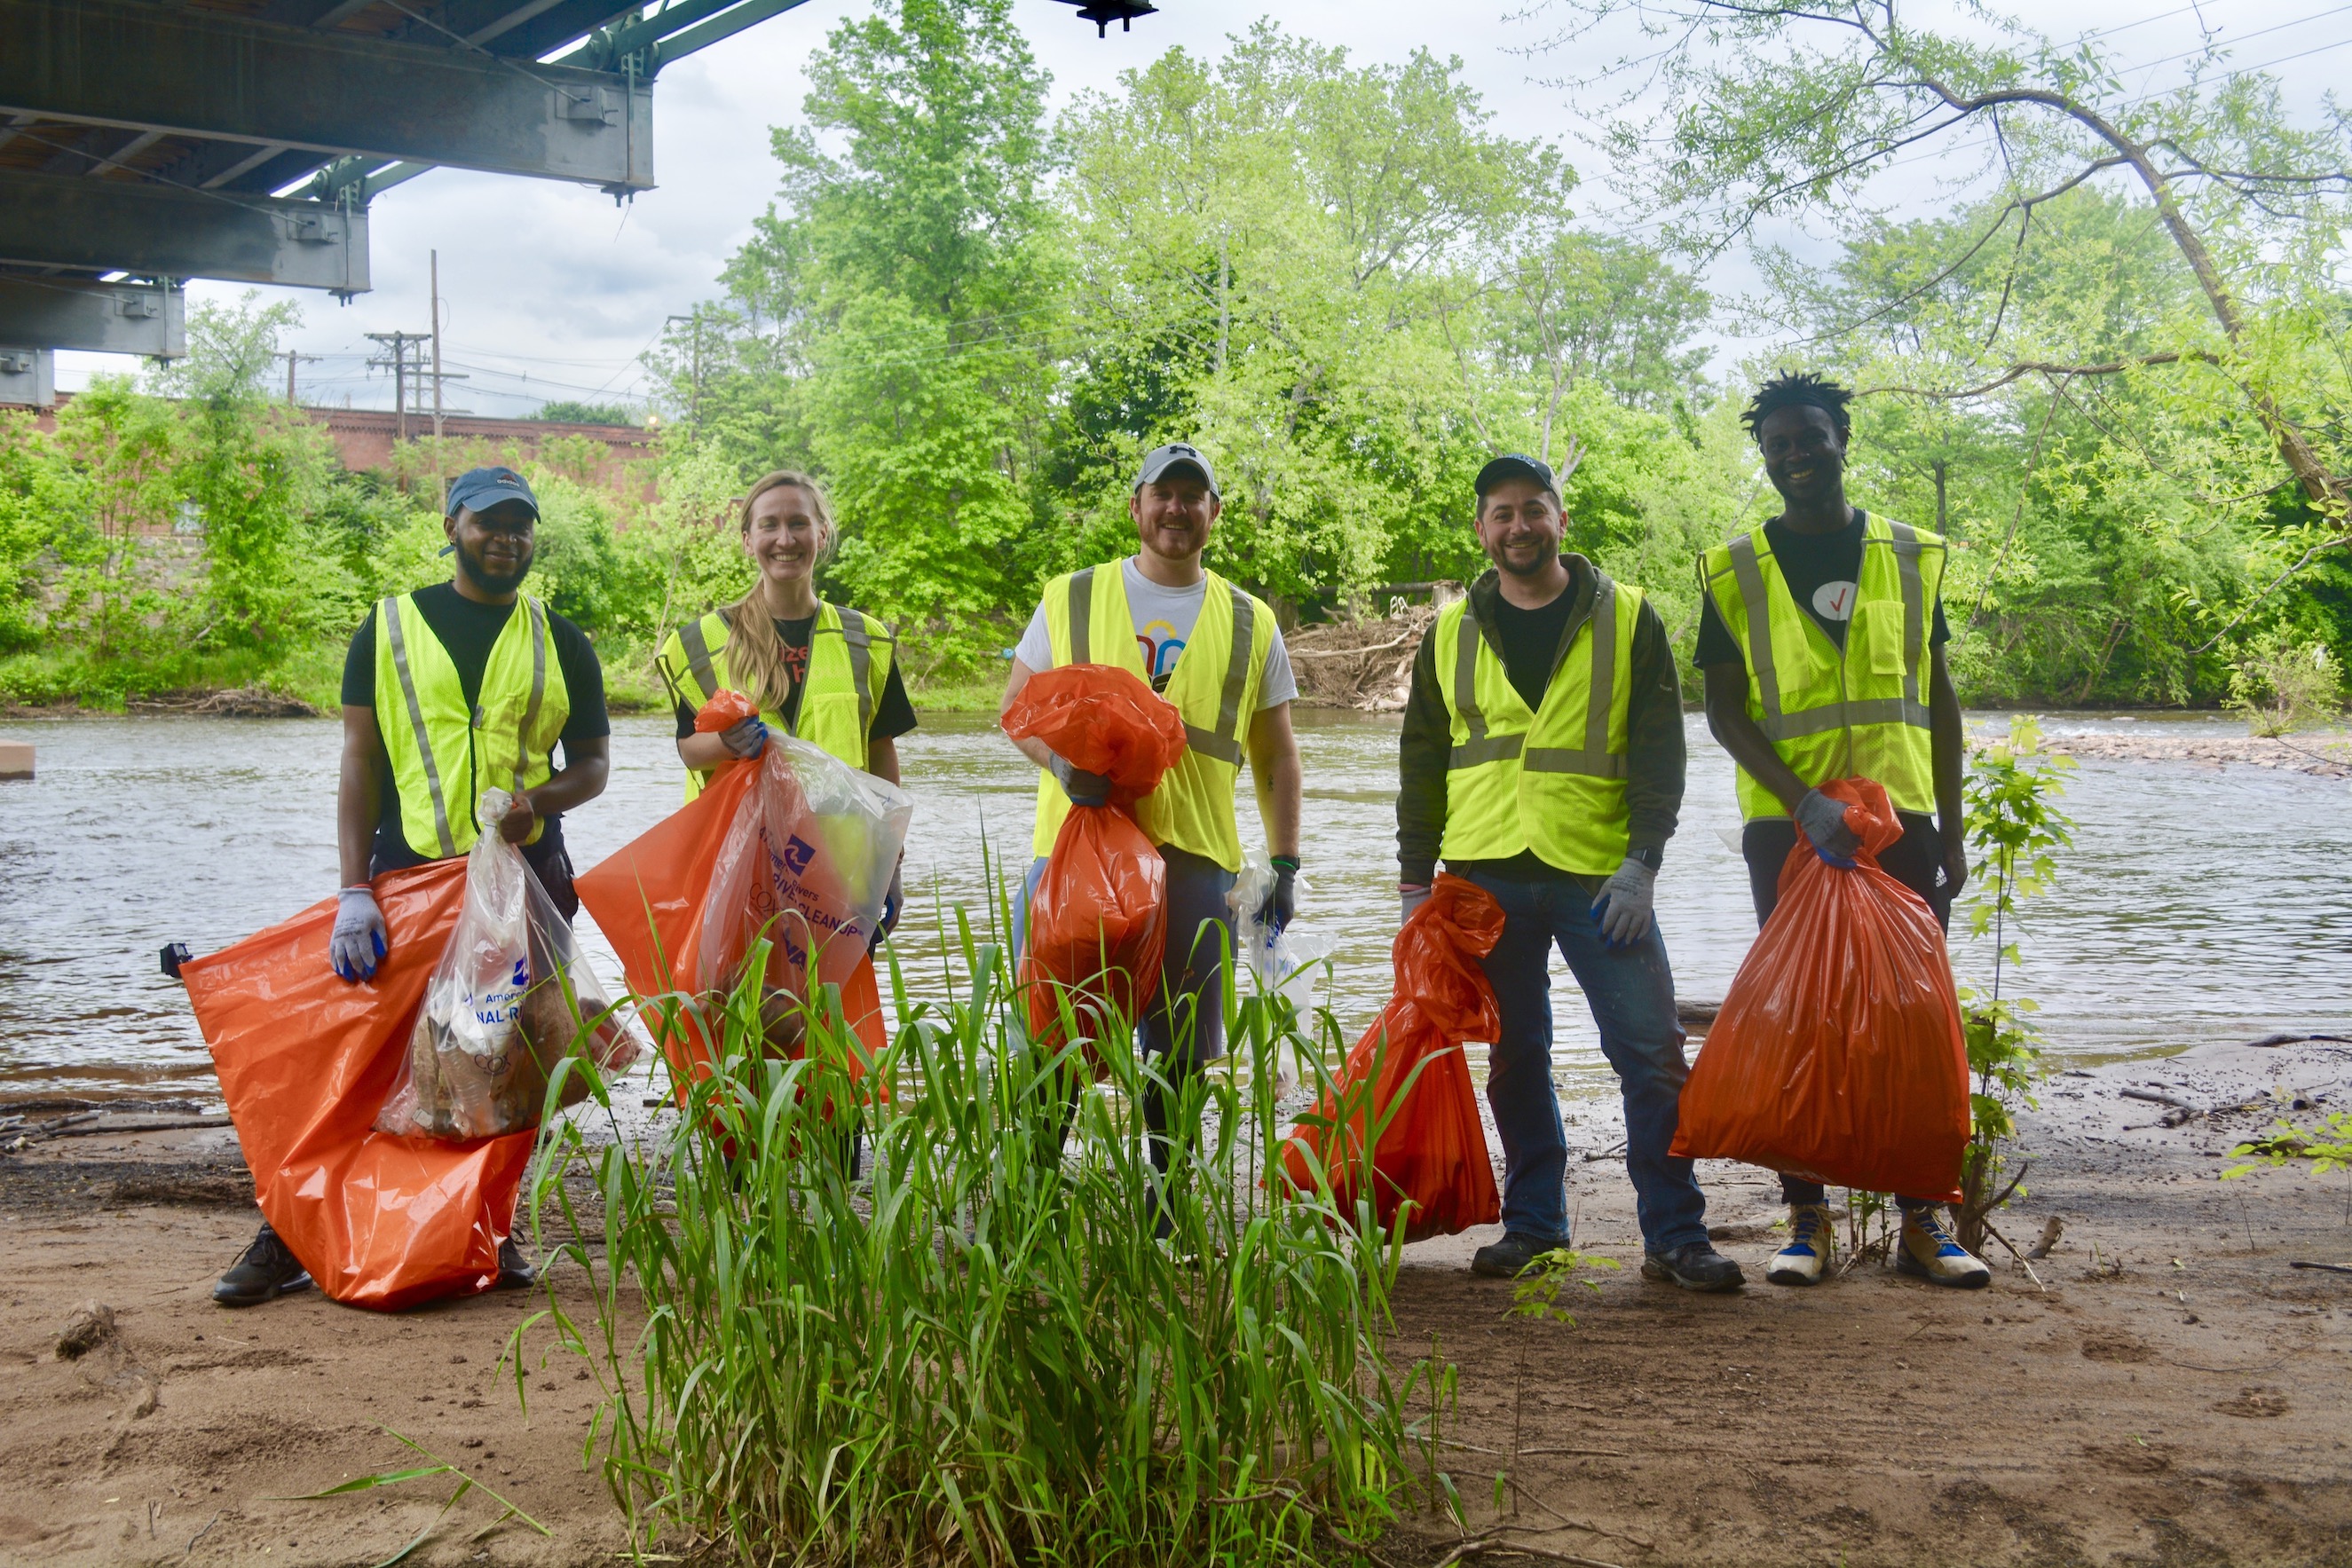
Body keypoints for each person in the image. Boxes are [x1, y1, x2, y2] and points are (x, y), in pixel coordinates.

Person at [212, 465, 612, 1307]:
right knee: (364, 1068)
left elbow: (596, 767)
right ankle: (285, 1234)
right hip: (410, 881)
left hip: (525, 886)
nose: (507, 537)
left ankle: (484, 1230)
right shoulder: (388, 627)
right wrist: (352, 888)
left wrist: (537, 802)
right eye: (488, 521)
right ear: (453, 524)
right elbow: (358, 763)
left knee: (503, 1067)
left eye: (521, 524)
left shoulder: (561, 638)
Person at [1398, 451, 1742, 1292]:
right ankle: (1536, 1228)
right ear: (1482, 530)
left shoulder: (1628, 617)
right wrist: (1415, 886)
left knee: (1651, 1052)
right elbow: (1421, 761)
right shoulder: (1448, 632)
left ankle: (1676, 1234)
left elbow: (1663, 753)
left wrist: (1643, 864)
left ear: (1561, 518)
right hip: (1483, 878)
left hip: (1601, 879)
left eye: (1533, 509)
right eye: (1501, 513)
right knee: (1517, 1058)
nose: (1518, 526)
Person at [1694, 370, 1990, 1290]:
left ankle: (1923, 1218)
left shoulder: (1908, 554)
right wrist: (1800, 801)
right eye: (1777, 444)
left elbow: (1935, 696)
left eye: (1808, 437)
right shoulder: (1732, 569)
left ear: (1842, 439)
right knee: (1800, 1017)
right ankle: (1806, 1217)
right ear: (1766, 456)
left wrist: (1952, 820)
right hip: (1790, 832)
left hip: (1899, 822)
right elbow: (1724, 712)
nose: (1794, 456)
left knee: (1909, 1018)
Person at [1001, 442, 1303, 1202]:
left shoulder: (1251, 620)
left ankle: (1170, 1213)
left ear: (1214, 513)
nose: (1176, 508)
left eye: (1192, 495)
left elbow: (1276, 760)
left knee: (1181, 1055)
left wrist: (1286, 863)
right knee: (1055, 1041)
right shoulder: (1070, 595)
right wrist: (1062, 766)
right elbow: (1015, 711)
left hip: (1198, 860)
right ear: (1135, 506)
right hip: (1076, 859)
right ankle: (1031, 1207)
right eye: (1161, 493)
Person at [656, 469, 915, 1100]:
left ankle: (834, 1172)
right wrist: (724, 744)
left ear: (822, 535)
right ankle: (745, 1186)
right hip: (736, 871)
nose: (784, 537)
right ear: (747, 539)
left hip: (839, 872)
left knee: (832, 1031)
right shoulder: (700, 642)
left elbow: (880, 754)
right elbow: (688, 748)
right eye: (769, 524)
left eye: (798, 522)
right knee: (735, 1027)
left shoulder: (867, 639)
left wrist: (893, 863)